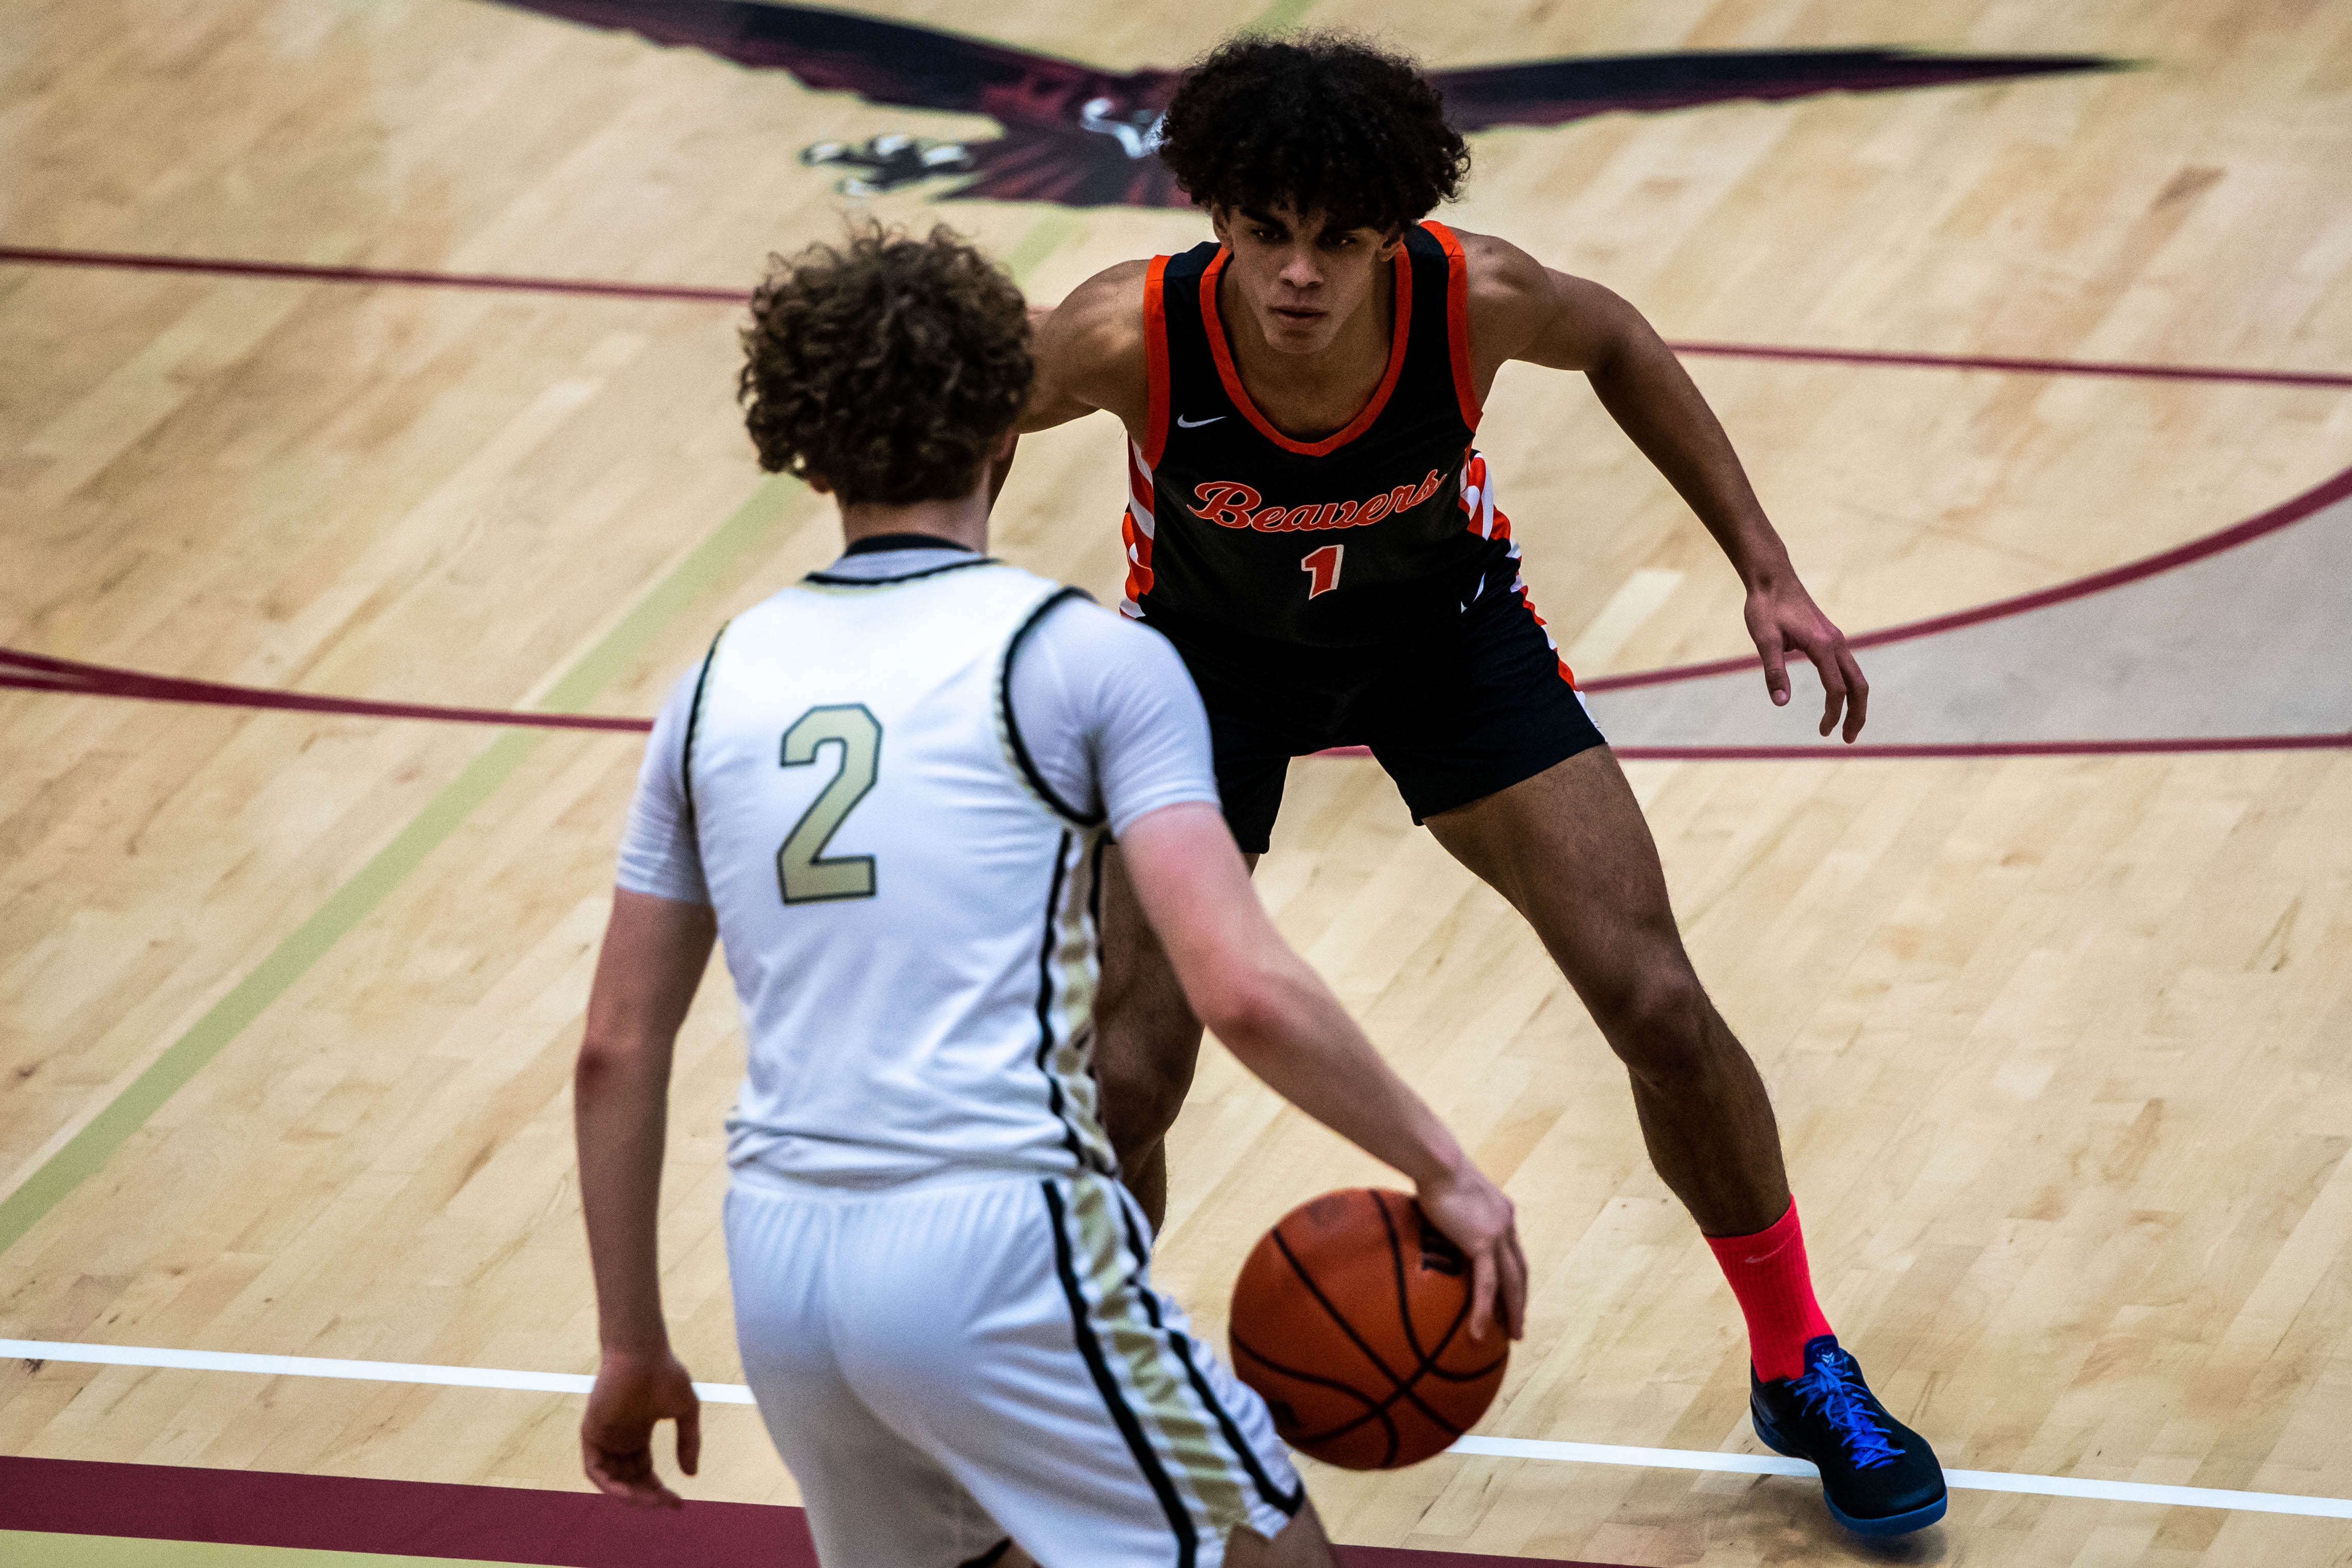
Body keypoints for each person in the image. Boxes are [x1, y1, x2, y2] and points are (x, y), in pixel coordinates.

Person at [1017, 34, 1945, 1537]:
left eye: (1340, 239)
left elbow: (1620, 340)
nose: (1299, 273)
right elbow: (979, 414)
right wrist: (948, 619)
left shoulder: (1475, 297)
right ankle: (1085, 1409)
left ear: (1397, 230)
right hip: (1202, 674)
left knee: (1657, 1002)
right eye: (1267, 232)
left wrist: (1766, 568)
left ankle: (1798, 1359)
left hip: (1442, 646)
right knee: (1127, 1075)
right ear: (1217, 214)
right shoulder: (1128, 332)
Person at [570, 223, 1528, 1568]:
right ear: (1004, 419)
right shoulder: (1081, 660)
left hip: (784, 1271)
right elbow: (1240, 986)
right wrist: (1444, 1169)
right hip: (997, 1242)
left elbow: (617, 1047)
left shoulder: (716, 686)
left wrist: (629, 1342)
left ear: (804, 447)